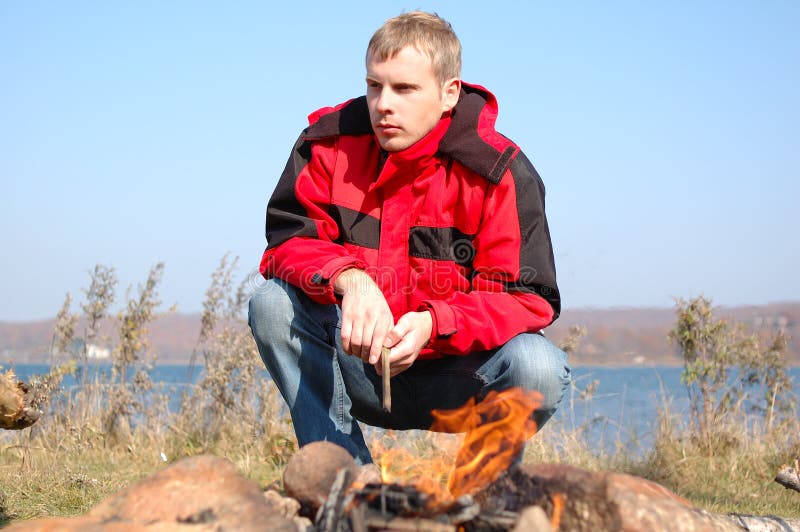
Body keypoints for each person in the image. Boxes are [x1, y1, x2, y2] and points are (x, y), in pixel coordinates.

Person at [249, 11, 570, 465]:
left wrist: (434, 323)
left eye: (404, 89)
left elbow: (527, 297)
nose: (383, 104)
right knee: (271, 304)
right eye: (374, 85)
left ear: (449, 93)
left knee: (538, 366)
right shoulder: (326, 145)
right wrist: (350, 279)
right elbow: (287, 242)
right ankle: (343, 477)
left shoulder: (500, 171)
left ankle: (482, 490)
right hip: (358, 366)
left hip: (461, 377)